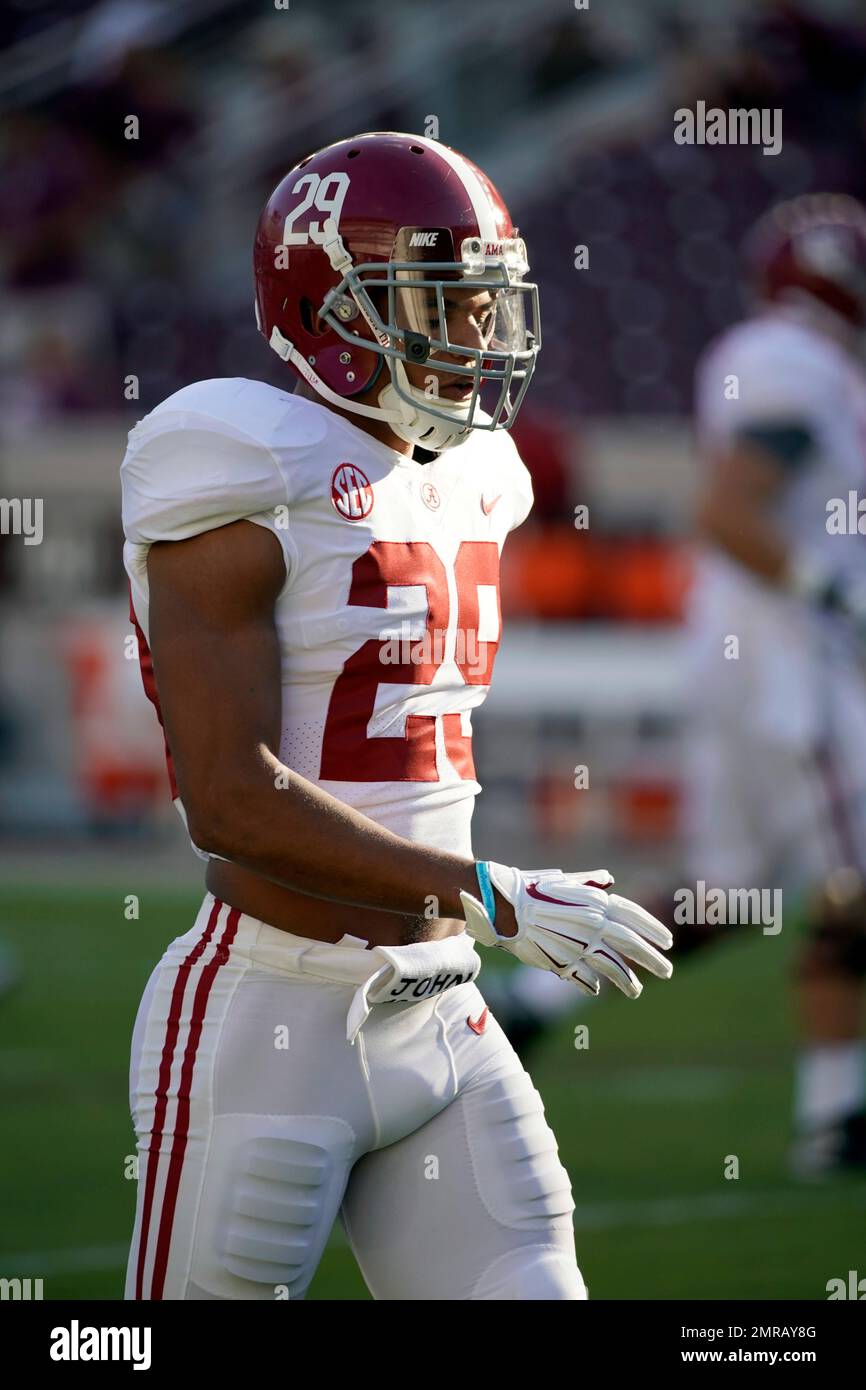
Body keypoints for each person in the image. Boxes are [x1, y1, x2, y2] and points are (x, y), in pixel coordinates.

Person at [121, 131, 672, 1301]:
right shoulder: (235, 458)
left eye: (488, 303)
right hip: (271, 1010)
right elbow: (229, 801)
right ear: (330, 306)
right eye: (440, 300)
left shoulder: (480, 472)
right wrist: (487, 889)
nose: (477, 334)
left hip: (442, 1014)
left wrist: (473, 909)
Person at [687, 193, 866, 1176]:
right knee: (852, 878)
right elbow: (726, 507)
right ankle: (834, 1118)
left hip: (757, 660)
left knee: (732, 890)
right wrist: (833, 591)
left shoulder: (800, 361)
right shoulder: (791, 359)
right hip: (788, 667)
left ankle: (530, 1003)